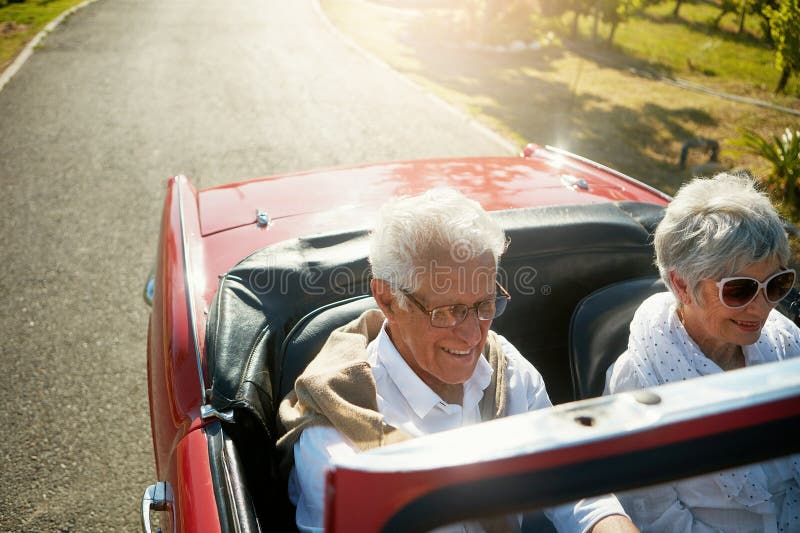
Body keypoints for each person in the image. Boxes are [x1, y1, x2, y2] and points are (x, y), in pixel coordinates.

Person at [277, 187, 638, 532]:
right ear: (387, 300)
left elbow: (569, 480)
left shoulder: (507, 369)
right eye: (448, 311)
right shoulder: (335, 440)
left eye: (484, 305)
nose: (473, 335)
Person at [604, 173, 800, 532]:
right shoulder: (638, 379)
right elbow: (657, 518)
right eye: (739, 290)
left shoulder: (786, 341)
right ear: (681, 284)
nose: (762, 308)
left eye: (777, 284)